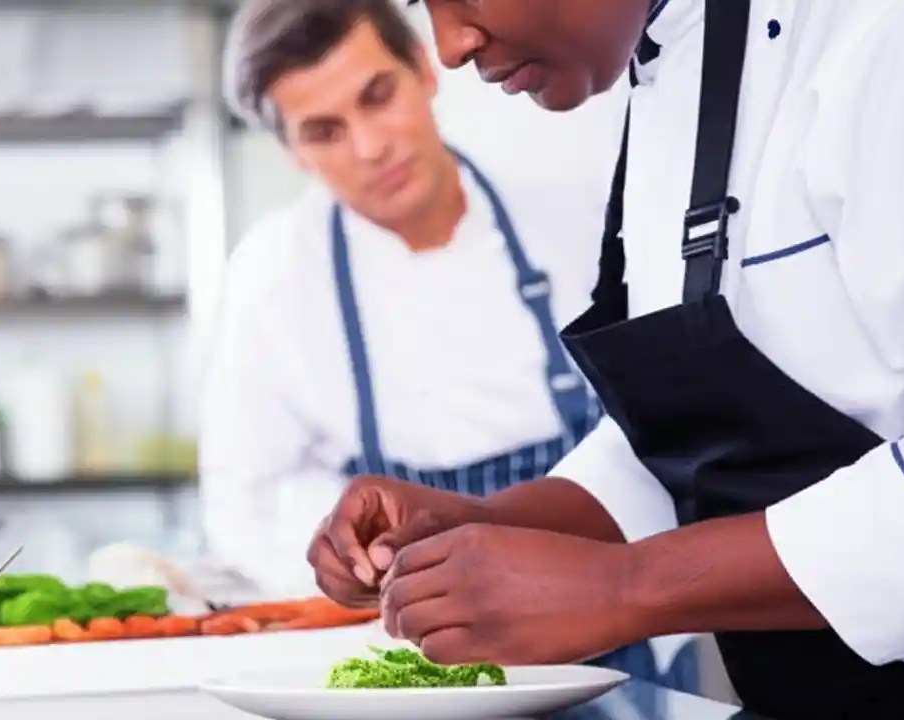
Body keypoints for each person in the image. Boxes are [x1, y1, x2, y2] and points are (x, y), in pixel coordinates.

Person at [307, 0, 904, 717]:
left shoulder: (887, 30)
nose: (450, 45)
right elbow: (706, 443)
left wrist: (626, 586)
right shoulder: (667, 71)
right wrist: (482, 524)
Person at [200, 0, 693, 688]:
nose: (371, 146)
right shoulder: (275, 276)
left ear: (425, 72)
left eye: (378, 97)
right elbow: (244, 504)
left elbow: (670, 431)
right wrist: (366, 571)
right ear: (292, 153)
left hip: (621, 638)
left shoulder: (577, 205)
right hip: (417, 657)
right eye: (325, 131)